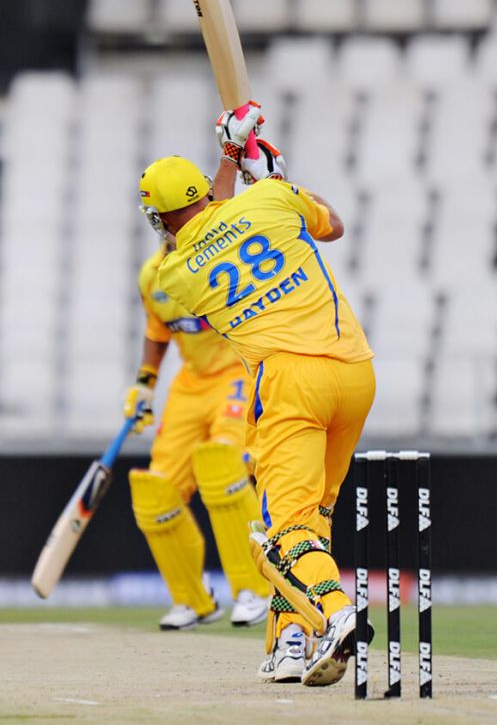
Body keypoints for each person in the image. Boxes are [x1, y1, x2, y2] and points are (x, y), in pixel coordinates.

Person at [136, 103, 374, 687]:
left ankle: (336, 616)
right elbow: (333, 224)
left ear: (158, 220)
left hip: (291, 385)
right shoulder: (269, 201)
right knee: (315, 517)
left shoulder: (173, 275)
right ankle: (288, 645)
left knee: (281, 530)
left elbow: (203, 233)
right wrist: (270, 175)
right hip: (355, 372)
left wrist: (230, 165)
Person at [123, 236, 270, 632]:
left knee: (223, 464)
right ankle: (193, 599)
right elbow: (158, 330)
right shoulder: (151, 276)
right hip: (191, 383)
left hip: (237, 370)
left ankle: (256, 587)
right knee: (155, 491)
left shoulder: (219, 258)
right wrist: (145, 384)